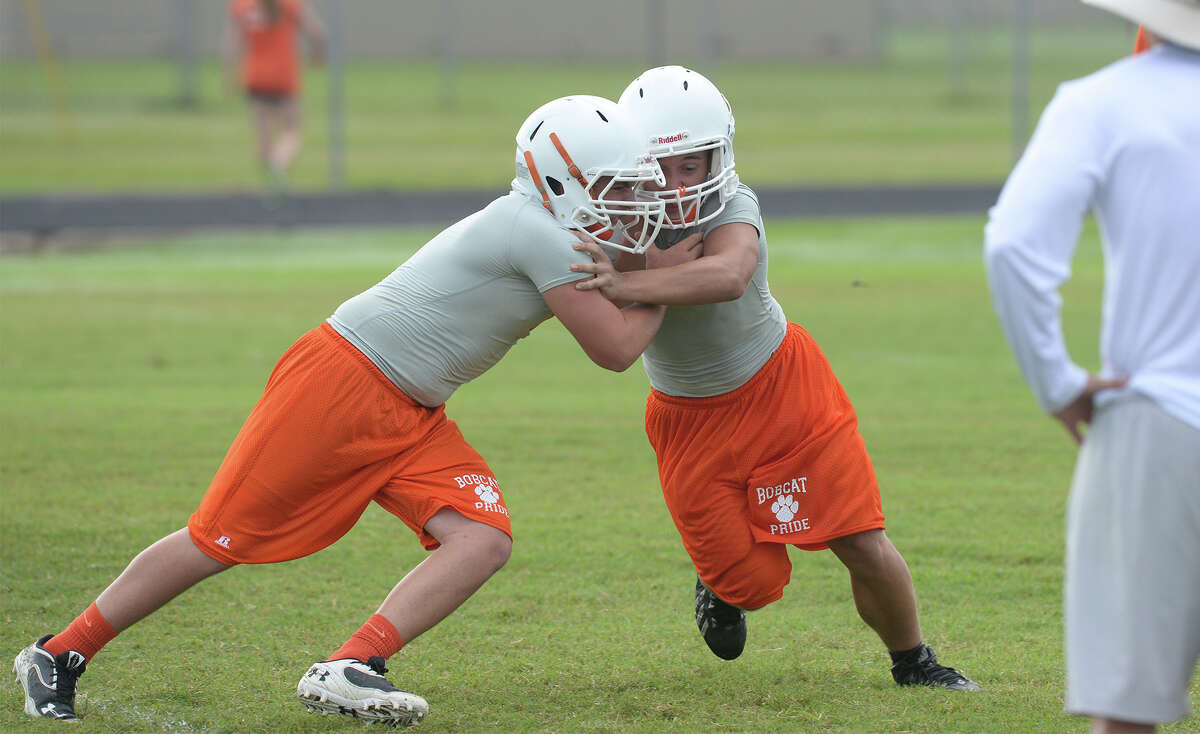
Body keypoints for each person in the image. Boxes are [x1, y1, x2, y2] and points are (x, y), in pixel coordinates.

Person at [12, 95, 669, 726]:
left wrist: (676, 263)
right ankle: (58, 652)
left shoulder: (546, 223)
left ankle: (353, 663)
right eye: (618, 185)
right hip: (341, 387)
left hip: (411, 412)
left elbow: (632, 267)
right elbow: (614, 348)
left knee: (481, 537)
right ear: (559, 179)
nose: (633, 202)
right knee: (217, 539)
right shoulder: (537, 232)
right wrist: (676, 288)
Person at [569, 66, 979, 690]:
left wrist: (626, 281)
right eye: (661, 169)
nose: (678, 185)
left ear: (718, 157)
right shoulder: (613, 214)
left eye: (691, 165)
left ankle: (915, 661)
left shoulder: (734, 204)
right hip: (689, 416)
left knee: (860, 539)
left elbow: (728, 274)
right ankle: (722, 586)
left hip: (784, 388)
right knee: (753, 584)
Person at [984, 1, 1200, 731]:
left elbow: (1013, 245)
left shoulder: (1102, 101)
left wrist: (1057, 383)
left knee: (1125, 709)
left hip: (1156, 424)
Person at [224, 0, 326, 194]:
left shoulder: (241, 5)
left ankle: (272, 188)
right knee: (292, 131)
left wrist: (229, 75)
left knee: (263, 141)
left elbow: (233, 42)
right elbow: (316, 32)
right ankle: (279, 164)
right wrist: (317, 56)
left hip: (256, 76)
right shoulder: (290, 3)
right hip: (283, 76)